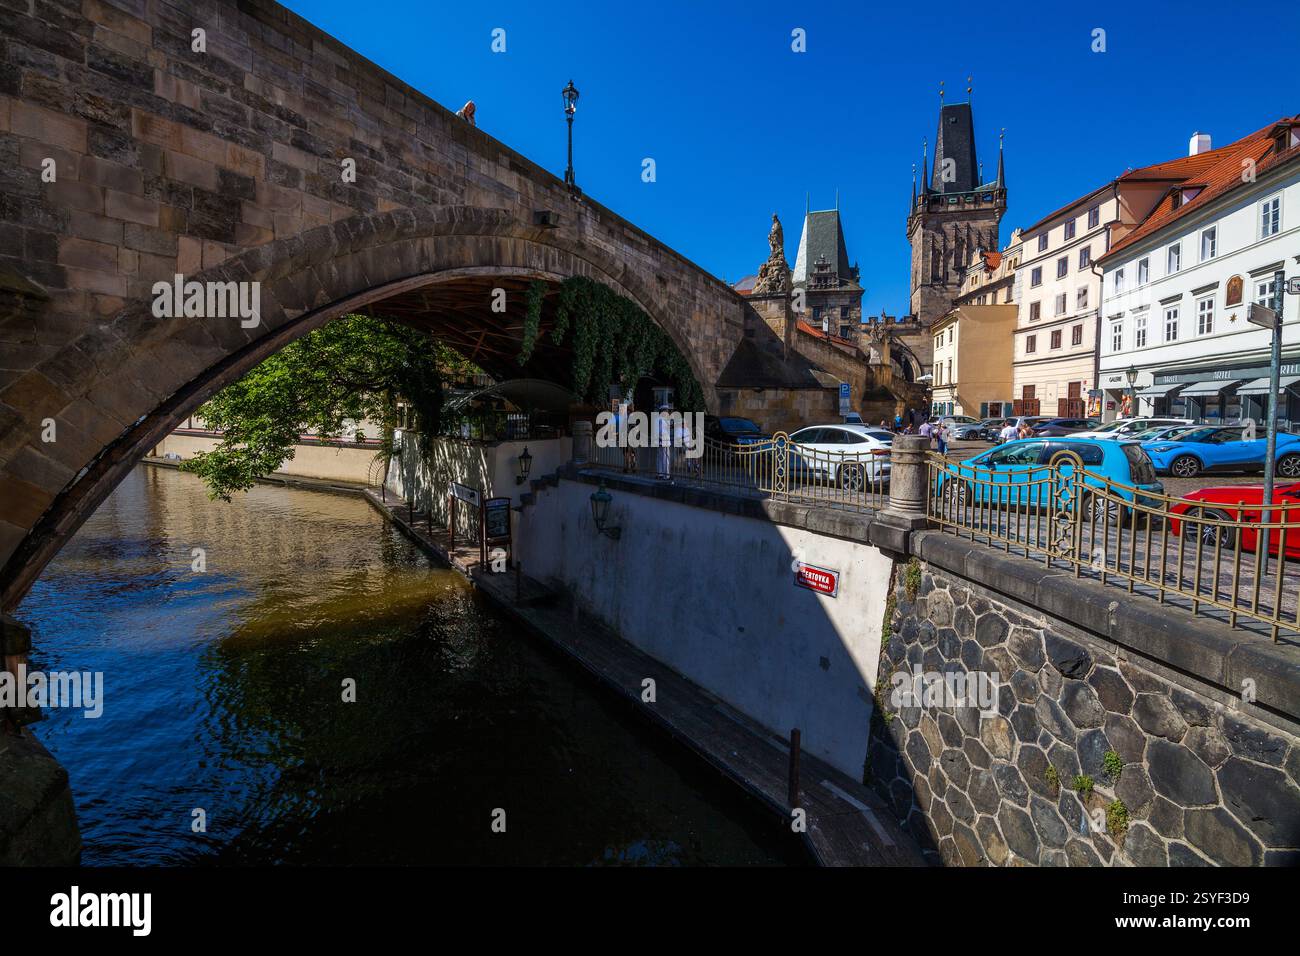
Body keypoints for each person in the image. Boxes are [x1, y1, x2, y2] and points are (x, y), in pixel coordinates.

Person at [655, 405, 672, 480]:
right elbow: (661, 431)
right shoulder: (663, 419)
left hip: (659, 441)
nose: (668, 412)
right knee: (666, 458)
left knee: (659, 458)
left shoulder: (658, 419)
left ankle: (660, 474)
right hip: (663, 441)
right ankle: (666, 475)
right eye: (667, 411)